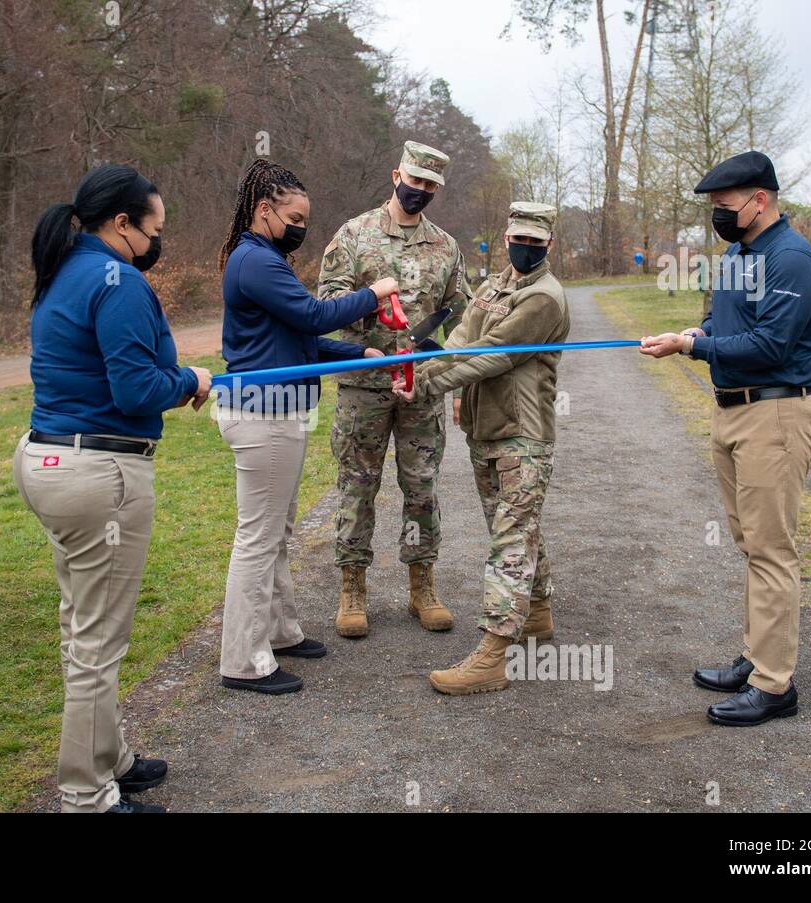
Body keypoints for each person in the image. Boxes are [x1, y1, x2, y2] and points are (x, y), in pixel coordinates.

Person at [15, 164, 212, 812]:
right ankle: (85, 794)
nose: (159, 242)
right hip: (100, 473)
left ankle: (111, 756)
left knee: (82, 626)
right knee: (98, 641)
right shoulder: (119, 282)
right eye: (154, 229)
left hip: (49, 462)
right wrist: (190, 381)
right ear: (121, 223)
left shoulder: (63, 270)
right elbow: (135, 388)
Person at [639, 150, 811, 727]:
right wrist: (694, 332)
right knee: (752, 544)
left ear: (760, 200)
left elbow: (770, 346)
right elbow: (727, 325)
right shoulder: (741, 254)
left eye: (724, 207)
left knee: (772, 550)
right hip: (733, 413)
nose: (718, 217)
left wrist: (691, 348)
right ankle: (757, 657)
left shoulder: (793, 260)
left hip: (775, 415)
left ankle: (775, 687)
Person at [216, 158, 396, 695]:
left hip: (282, 409)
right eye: (294, 217)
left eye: (305, 218)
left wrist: (357, 353)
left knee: (278, 532)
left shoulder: (265, 259)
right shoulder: (255, 262)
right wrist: (376, 293)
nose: (301, 227)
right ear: (264, 210)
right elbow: (316, 316)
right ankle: (243, 661)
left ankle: (279, 630)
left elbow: (302, 340)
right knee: (258, 537)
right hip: (263, 413)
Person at [393, 202, 569, 695]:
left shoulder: (544, 298)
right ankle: (536, 614)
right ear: (507, 236)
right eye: (519, 239)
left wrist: (425, 382)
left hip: (523, 435)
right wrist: (423, 367)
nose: (524, 249)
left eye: (535, 243)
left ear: (548, 245)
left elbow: (490, 356)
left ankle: (493, 653)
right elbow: (465, 336)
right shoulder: (495, 286)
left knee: (510, 538)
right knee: (513, 524)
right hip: (486, 429)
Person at [318, 140, 471, 639]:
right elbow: (326, 304)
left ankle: (422, 583)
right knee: (358, 486)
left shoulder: (445, 246)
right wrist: (372, 303)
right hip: (364, 384)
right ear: (395, 175)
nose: (420, 191)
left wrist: (453, 373)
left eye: (430, 186)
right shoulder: (353, 235)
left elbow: (460, 314)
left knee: (422, 487)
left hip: (421, 390)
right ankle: (352, 586)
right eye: (414, 180)